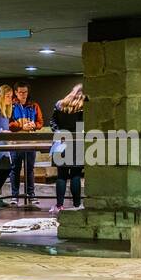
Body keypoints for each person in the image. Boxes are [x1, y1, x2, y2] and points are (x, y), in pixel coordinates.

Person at [49, 83, 85, 214]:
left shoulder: (60, 104)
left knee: (61, 175)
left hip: (61, 142)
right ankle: (76, 205)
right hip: (77, 143)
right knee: (76, 175)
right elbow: (84, 126)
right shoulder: (83, 107)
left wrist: (60, 133)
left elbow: (52, 122)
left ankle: (59, 205)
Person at [8, 80, 43, 203]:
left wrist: (34, 125)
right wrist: (21, 127)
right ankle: (15, 196)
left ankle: (31, 194)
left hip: (30, 143)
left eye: (25, 92)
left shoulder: (34, 105)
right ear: (16, 93)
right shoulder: (11, 106)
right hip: (16, 143)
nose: (23, 94)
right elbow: (9, 124)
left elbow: (40, 122)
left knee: (30, 169)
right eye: (21, 92)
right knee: (15, 169)